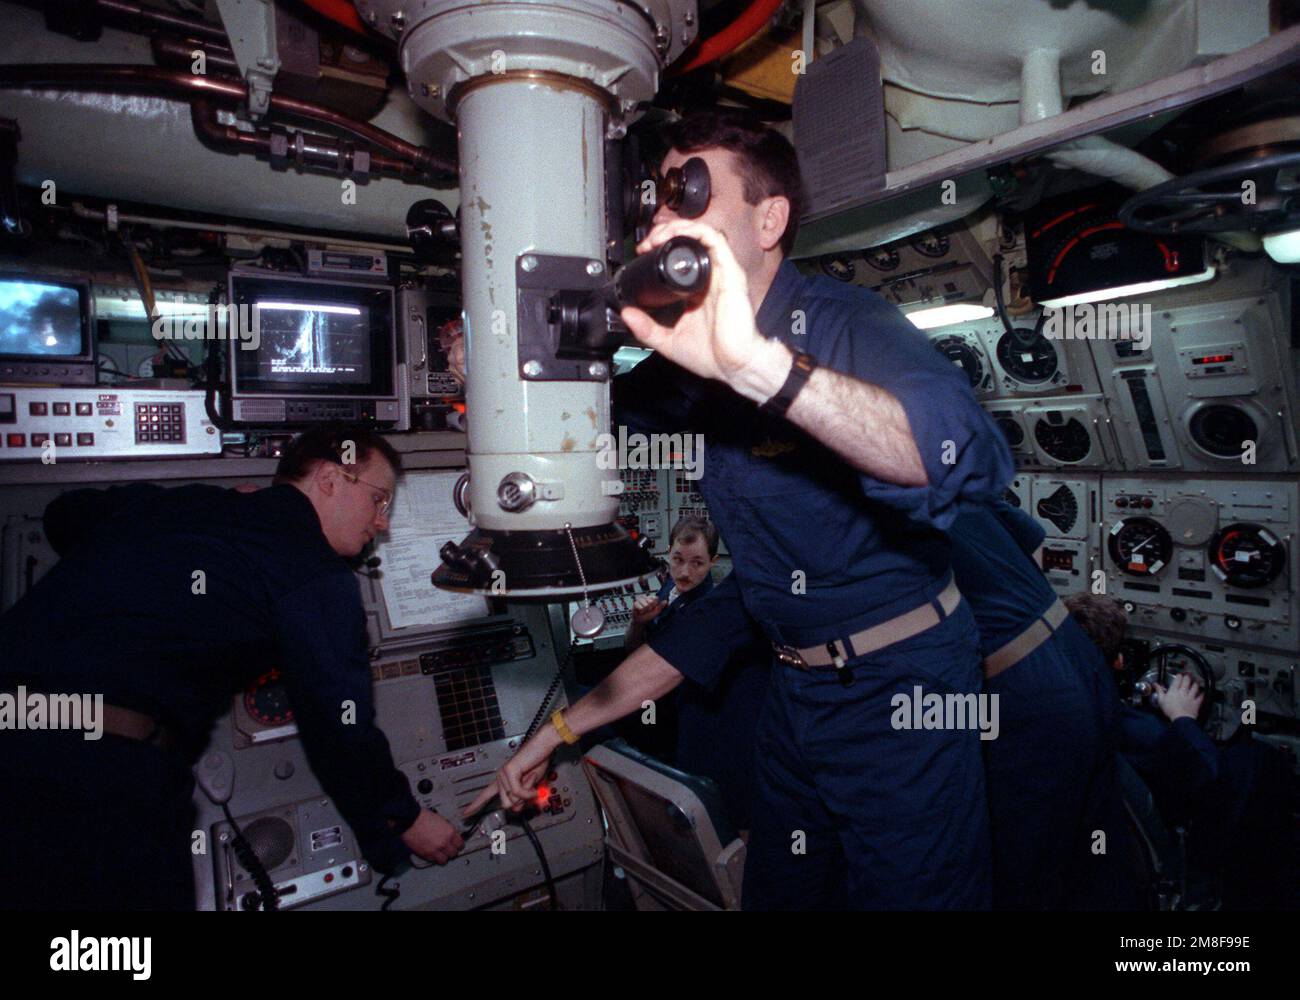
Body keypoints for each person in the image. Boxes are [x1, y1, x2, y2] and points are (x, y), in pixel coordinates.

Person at [474, 110, 1015, 909]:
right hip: (791, 685)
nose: (661, 213)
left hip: (904, 690)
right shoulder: (683, 364)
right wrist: (483, 363)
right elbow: (575, 420)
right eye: (658, 195)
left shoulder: (849, 325)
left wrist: (761, 369)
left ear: (769, 219)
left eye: (689, 192)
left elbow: (961, 459)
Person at [0, 427, 462, 910]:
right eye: (379, 500)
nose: (382, 522)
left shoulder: (195, 505)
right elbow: (341, 729)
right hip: (90, 772)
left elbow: (63, 516)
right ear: (329, 479)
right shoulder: (314, 572)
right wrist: (405, 820)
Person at [945, 501, 1135, 909]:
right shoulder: (939, 459)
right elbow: (1032, 540)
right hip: (1070, 649)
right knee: (1090, 839)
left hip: (1024, 690)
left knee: (1022, 864)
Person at [1064, 593, 1296, 909]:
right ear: (1119, 660)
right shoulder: (1152, 737)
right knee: (1258, 760)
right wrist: (1182, 718)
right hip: (1164, 845)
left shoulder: (1064, 713)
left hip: (1093, 857)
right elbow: (1212, 781)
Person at [624, 515, 718, 652]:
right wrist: (638, 623)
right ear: (669, 553)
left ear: (712, 562)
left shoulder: (706, 611)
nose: (685, 572)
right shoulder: (671, 584)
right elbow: (631, 648)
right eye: (678, 559)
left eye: (697, 563)